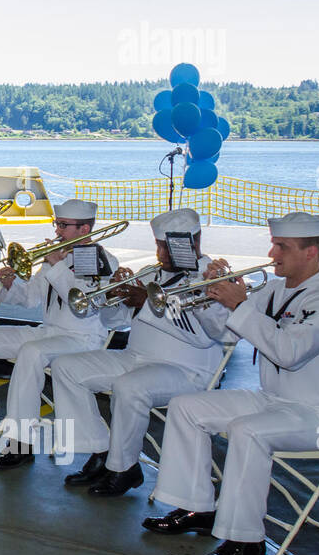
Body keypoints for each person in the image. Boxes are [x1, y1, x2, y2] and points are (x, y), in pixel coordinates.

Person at [143, 212, 319, 555]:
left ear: (310, 253)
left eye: (282, 246)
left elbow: (288, 354)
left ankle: (247, 540)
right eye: (273, 244)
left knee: (248, 430)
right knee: (186, 407)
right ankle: (198, 506)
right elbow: (225, 334)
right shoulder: (272, 290)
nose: (272, 252)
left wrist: (239, 304)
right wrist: (211, 296)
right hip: (274, 400)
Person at [0, 199, 121, 469]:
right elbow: (30, 298)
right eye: (58, 224)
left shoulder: (101, 260)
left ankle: (20, 441)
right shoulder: (58, 256)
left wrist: (56, 266)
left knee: (32, 353)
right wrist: (11, 283)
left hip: (82, 338)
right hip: (50, 332)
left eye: (63, 226)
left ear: (84, 228)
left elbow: (85, 307)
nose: (57, 231)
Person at [50, 208, 231, 496]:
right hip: (136, 358)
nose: (161, 252)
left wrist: (144, 302)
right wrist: (114, 298)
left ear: (193, 243)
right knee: (66, 367)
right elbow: (116, 323)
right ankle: (100, 449)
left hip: (185, 369)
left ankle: (123, 468)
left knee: (129, 387)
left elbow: (210, 335)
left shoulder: (211, 277)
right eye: (158, 245)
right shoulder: (151, 273)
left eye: (168, 246)